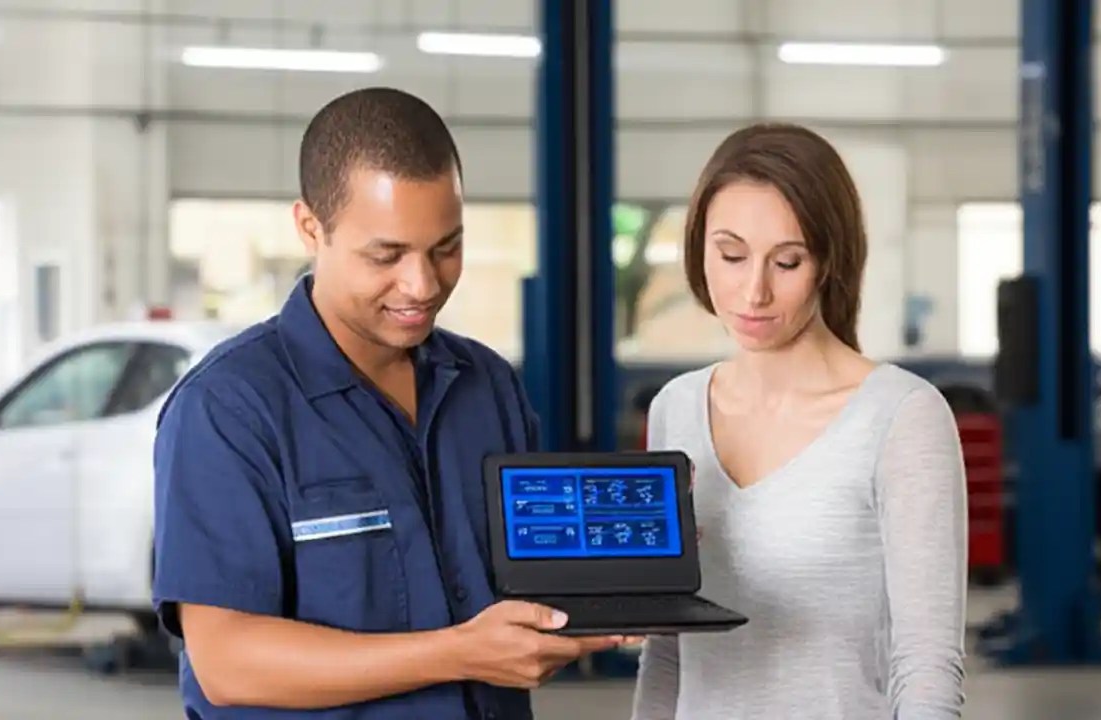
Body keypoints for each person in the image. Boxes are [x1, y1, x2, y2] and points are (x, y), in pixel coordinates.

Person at [152, 87, 626, 720]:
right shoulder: (229, 410)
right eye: (387, 255)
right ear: (309, 227)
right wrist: (458, 653)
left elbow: (534, 569)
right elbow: (228, 661)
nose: (423, 285)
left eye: (446, 247)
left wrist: (634, 553)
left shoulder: (487, 386)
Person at [630, 123, 968, 719]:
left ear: (828, 261)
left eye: (787, 262)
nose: (753, 291)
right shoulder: (675, 411)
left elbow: (927, 665)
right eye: (730, 255)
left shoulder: (900, 417)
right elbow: (668, 653)